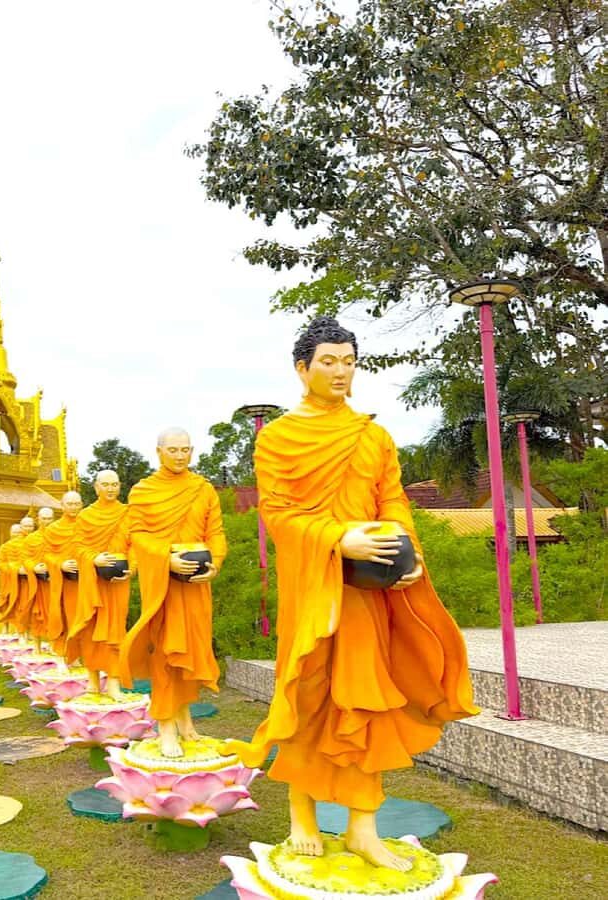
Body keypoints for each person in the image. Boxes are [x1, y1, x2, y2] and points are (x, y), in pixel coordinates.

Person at [228, 316, 477, 871]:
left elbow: (393, 502)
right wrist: (340, 537)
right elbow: (280, 514)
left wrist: (405, 553)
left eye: (348, 361)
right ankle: (301, 814)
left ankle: (364, 826)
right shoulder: (279, 438)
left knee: (365, 700)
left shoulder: (373, 436)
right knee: (307, 692)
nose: (341, 372)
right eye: (328, 362)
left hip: (368, 591)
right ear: (302, 369)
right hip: (314, 587)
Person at [119, 428, 227, 758]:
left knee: (189, 655)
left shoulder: (203, 489)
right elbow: (137, 535)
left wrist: (216, 562)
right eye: (173, 450)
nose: (180, 456)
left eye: (185, 450)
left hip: (195, 587)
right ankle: (165, 726)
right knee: (166, 654)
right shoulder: (144, 491)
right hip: (163, 588)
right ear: (159, 452)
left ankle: (186, 724)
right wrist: (166, 558)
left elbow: (216, 532)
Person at [69, 470, 135, 699]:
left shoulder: (128, 514)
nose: (110, 489)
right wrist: (93, 558)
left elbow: (135, 545)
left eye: (115, 484)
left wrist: (131, 569)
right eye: (105, 484)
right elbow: (77, 547)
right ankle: (93, 679)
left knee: (116, 631)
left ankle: (114, 683)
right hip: (93, 584)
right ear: (96, 487)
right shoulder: (86, 516)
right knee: (90, 630)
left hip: (117, 583)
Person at [41, 491, 83, 660]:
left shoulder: (87, 526)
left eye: (77, 504)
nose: (73, 507)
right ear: (62, 505)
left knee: (84, 619)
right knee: (64, 618)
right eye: (70, 504)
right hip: (64, 583)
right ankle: (62, 655)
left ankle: (82, 657)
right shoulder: (53, 529)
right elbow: (46, 555)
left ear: (81, 505)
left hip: (86, 581)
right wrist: (61, 564)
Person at [20, 509, 54, 648]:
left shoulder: (58, 536)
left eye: (49, 518)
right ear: (38, 520)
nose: (47, 521)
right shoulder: (31, 539)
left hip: (55, 583)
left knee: (56, 615)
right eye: (44, 518)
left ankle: (54, 646)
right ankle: (37, 646)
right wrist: (34, 568)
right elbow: (25, 559)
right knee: (36, 614)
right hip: (37, 584)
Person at [0, 523, 24, 629]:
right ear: (10, 533)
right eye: (14, 532)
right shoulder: (4, 547)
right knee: (5, 603)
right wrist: (12, 568)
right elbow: (1, 563)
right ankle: (5, 628)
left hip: (21, 580)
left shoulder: (25, 546)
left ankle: (20, 629)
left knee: (20, 605)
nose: (16, 534)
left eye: (18, 532)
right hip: (7, 580)